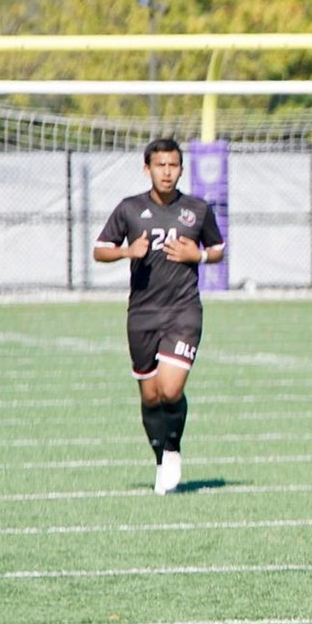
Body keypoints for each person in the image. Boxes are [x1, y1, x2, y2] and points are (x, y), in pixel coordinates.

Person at [93, 137, 225, 494]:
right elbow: (99, 250)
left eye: (173, 166)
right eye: (160, 165)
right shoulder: (129, 209)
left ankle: (173, 448)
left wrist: (198, 256)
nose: (167, 172)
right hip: (141, 314)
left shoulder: (197, 209)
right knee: (151, 397)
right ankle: (160, 459)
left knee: (170, 389)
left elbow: (217, 249)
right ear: (147, 169)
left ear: (181, 169)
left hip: (184, 311)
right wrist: (126, 251)